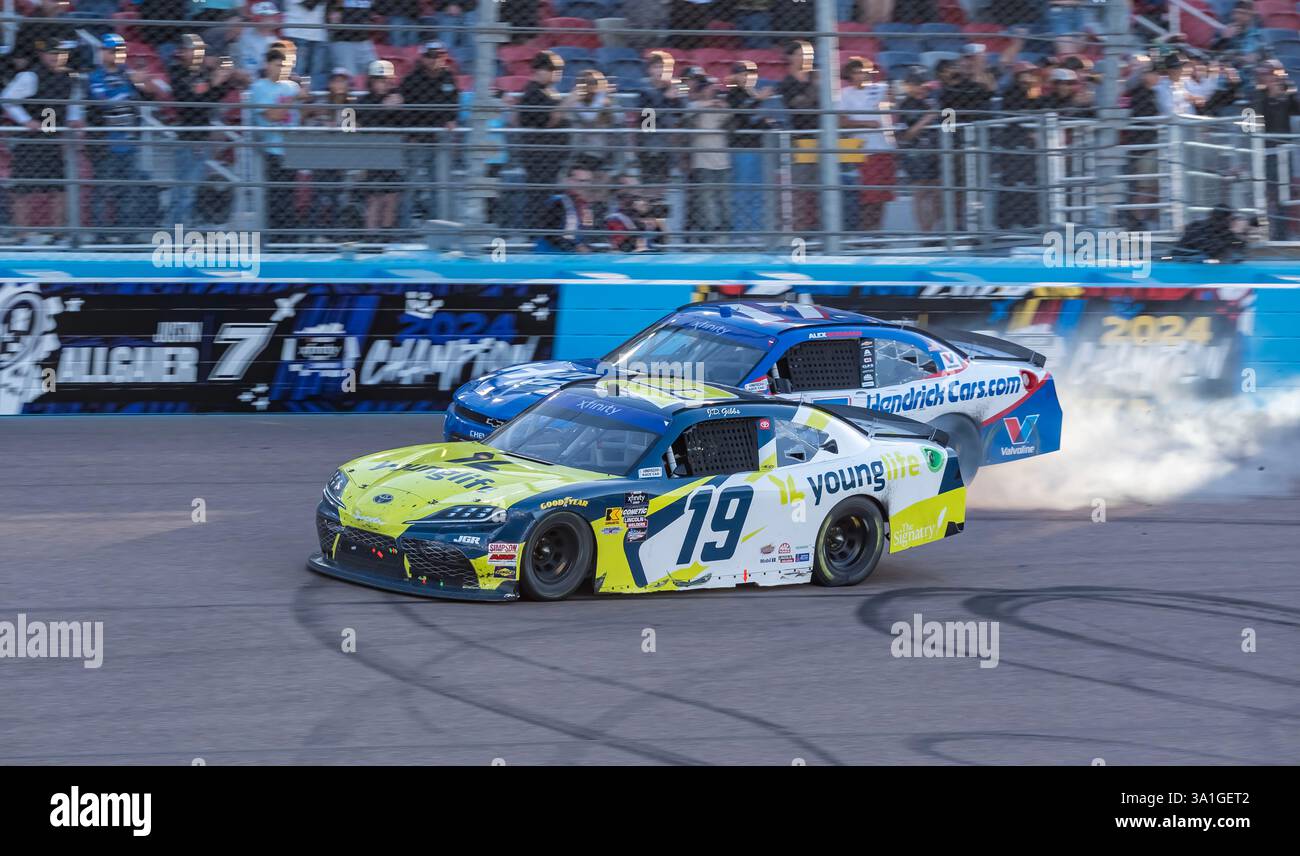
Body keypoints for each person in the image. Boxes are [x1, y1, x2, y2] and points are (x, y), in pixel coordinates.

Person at [1, 39, 82, 243]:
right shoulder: (29, 76)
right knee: (23, 189)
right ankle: (22, 235)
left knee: (59, 188)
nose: (56, 57)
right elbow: (7, 99)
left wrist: (74, 119)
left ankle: (57, 233)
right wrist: (26, 121)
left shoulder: (70, 76)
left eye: (59, 53)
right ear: (42, 55)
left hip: (53, 139)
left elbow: (72, 103)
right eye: (51, 53)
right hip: (29, 141)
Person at [85, 33, 161, 243]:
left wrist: (146, 83)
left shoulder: (127, 73)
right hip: (105, 143)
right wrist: (130, 83)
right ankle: (100, 235)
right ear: (102, 53)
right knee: (102, 190)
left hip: (129, 142)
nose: (117, 55)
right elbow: (105, 101)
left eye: (120, 51)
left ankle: (128, 234)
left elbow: (151, 95)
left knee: (130, 190)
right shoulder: (95, 77)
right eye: (112, 51)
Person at [166, 34, 244, 227]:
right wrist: (214, 82)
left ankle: (185, 229)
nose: (200, 54)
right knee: (186, 190)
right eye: (195, 50)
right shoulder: (177, 72)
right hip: (188, 137)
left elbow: (212, 97)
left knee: (194, 189)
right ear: (183, 52)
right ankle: (176, 233)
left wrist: (227, 79)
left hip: (202, 136)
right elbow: (192, 101)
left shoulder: (201, 73)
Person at [398, 41, 460, 222]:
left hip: (439, 137)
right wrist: (411, 133)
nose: (435, 60)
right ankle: (405, 226)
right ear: (423, 58)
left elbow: (453, 104)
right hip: (416, 138)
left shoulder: (449, 77)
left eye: (439, 56)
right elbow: (405, 109)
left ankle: (438, 224)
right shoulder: (412, 79)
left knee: (439, 184)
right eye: (431, 56)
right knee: (409, 184)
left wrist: (451, 119)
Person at [516, 51, 580, 223]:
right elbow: (549, 121)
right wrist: (571, 99)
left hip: (552, 156)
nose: (556, 72)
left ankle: (546, 231)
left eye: (559, 69)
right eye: (551, 69)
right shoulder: (533, 92)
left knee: (550, 195)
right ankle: (535, 233)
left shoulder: (549, 91)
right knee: (540, 196)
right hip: (540, 156)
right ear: (538, 70)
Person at [250, 48, 302, 242]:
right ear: (267, 65)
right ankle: (277, 241)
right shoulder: (259, 88)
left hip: (292, 148)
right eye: (278, 65)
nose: (282, 69)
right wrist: (293, 99)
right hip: (273, 149)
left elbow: (302, 112)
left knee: (291, 198)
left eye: (285, 66)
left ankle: (290, 241)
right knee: (277, 199)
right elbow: (272, 115)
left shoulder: (292, 87)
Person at [837, 56, 894, 233]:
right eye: (856, 72)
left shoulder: (882, 88)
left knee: (882, 197)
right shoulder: (845, 94)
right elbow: (842, 121)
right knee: (867, 196)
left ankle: (877, 232)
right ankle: (864, 233)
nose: (861, 75)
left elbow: (895, 98)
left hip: (885, 147)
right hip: (864, 149)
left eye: (864, 71)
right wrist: (866, 124)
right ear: (849, 75)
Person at [305, 68, 358, 240]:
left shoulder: (350, 105)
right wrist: (324, 124)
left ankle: (335, 235)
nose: (339, 85)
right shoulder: (322, 103)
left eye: (342, 81)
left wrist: (337, 126)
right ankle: (313, 235)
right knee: (318, 197)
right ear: (330, 84)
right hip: (321, 158)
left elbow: (350, 131)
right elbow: (310, 125)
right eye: (336, 81)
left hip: (340, 159)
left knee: (337, 198)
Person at [724, 59, 773, 241]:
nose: (747, 78)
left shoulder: (753, 94)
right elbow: (741, 113)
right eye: (743, 74)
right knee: (742, 190)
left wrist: (766, 123)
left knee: (757, 190)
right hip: (741, 148)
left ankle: (755, 229)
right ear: (736, 76)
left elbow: (755, 119)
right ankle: (740, 231)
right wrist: (757, 99)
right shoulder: (734, 94)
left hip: (756, 146)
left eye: (750, 74)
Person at [356, 59, 405, 238]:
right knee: (374, 198)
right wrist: (382, 108)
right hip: (372, 154)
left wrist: (397, 104)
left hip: (392, 154)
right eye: (380, 80)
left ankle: (386, 235)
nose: (384, 84)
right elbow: (355, 123)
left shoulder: (397, 98)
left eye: (387, 80)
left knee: (391, 197)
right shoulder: (364, 101)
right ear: (371, 81)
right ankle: (371, 237)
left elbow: (403, 123)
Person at [776, 40, 820, 234]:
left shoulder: (815, 78)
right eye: (802, 53)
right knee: (800, 188)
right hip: (800, 139)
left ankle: (818, 229)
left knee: (821, 187)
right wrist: (815, 85)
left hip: (820, 138)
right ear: (791, 57)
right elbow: (799, 104)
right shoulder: (788, 82)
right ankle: (799, 229)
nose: (807, 58)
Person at [893, 66, 940, 235]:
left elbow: (951, 127)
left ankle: (936, 231)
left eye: (924, 84)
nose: (922, 88)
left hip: (937, 154)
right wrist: (925, 120)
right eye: (918, 84)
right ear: (909, 85)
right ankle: (925, 233)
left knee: (937, 194)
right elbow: (904, 136)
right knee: (920, 194)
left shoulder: (933, 102)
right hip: (916, 156)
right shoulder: (904, 105)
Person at [683, 73, 730, 243]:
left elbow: (731, 118)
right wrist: (707, 103)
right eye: (709, 88)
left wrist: (721, 106)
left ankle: (725, 230)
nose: (712, 91)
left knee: (724, 198)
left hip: (722, 160)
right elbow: (687, 112)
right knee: (707, 198)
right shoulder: (695, 106)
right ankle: (711, 231)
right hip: (703, 161)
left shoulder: (720, 106)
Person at [635, 51, 685, 199]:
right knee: (650, 192)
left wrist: (676, 99)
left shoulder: (673, 89)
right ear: (650, 69)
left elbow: (681, 115)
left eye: (665, 68)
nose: (661, 71)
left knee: (664, 194)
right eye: (657, 67)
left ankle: (660, 220)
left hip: (668, 148)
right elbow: (647, 122)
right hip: (650, 149)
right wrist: (665, 99)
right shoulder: (644, 90)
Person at [536, 163, 598, 252]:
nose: (585, 185)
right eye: (580, 181)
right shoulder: (557, 202)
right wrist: (576, 247)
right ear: (569, 181)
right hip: (551, 255)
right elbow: (550, 234)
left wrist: (584, 247)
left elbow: (587, 233)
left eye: (588, 181)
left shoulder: (587, 207)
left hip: (575, 256)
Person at [282, 0, 331, 91]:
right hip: (297, 34)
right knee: (297, 73)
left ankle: (315, 102)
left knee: (318, 74)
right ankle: (295, 102)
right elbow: (309, 4)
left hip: (319, 35)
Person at [1174, 204, 1248, 261]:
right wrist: (1233, 232)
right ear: (1222, 219)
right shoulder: (1198, 228)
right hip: (1179, 265)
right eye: (1231, 219)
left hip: (1204, 270)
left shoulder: (1225, 231)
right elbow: (1213, 252)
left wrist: (1240, 235)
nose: (1233, 222)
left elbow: (1239, 251)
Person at [328, 0, 378, 78]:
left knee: (376, 71)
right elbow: (333, 14)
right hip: (344, 41)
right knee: (350, 78)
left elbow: (376, 9)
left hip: (364, 39)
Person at [235, 2, 285, 76]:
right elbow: (246, 64)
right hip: (247, 76)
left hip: (267, 77)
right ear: (256, 18)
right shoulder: (246, 35)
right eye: (265, 16)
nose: (269, 20)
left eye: (271, 16)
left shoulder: (275, 39)